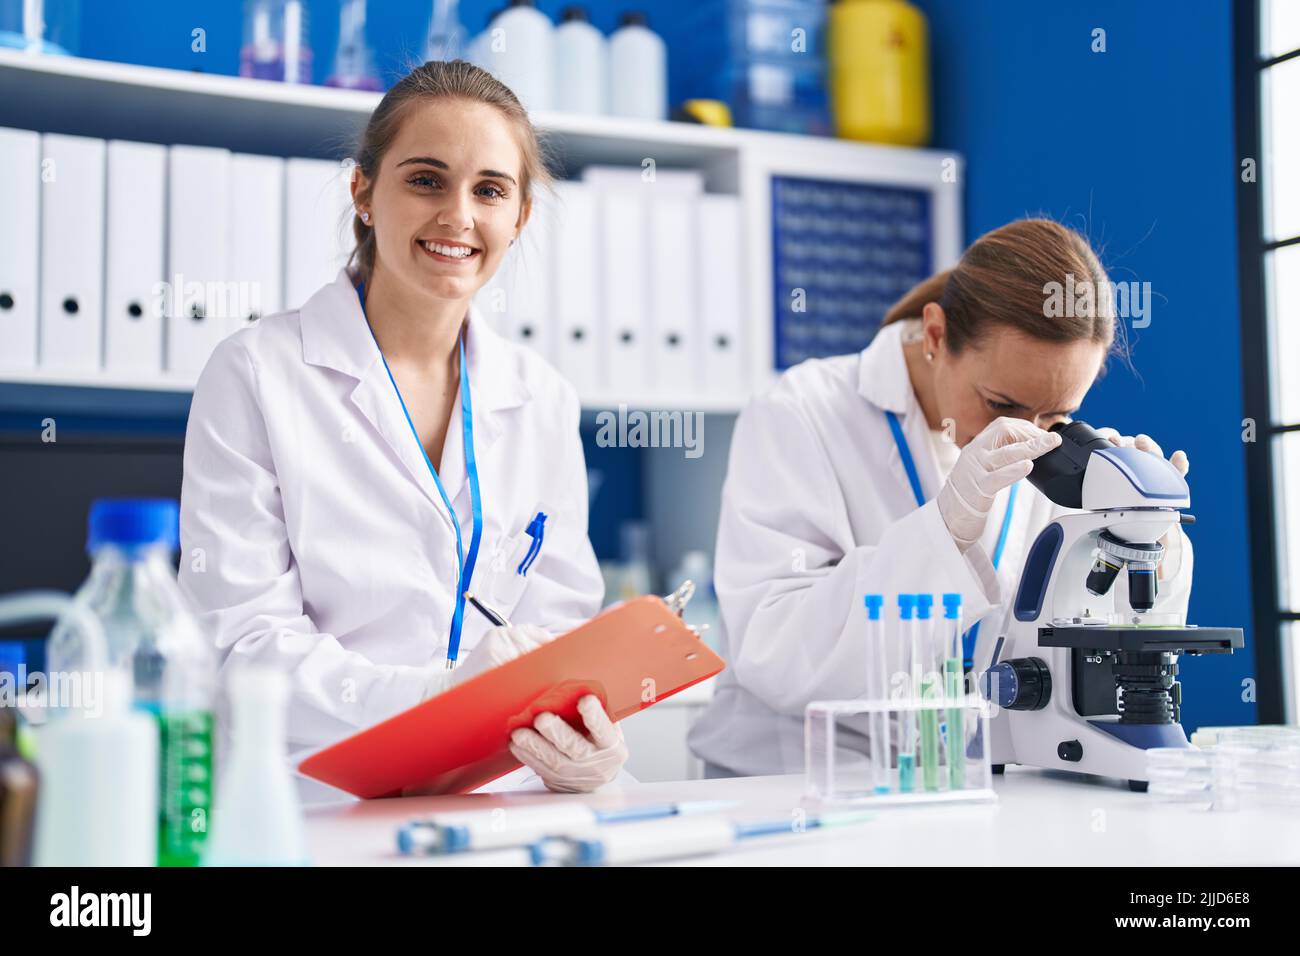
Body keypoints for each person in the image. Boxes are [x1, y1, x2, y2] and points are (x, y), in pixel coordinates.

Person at [179, 60, 627, 794]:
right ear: (363, 191)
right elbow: (243, 644)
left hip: (500, 801)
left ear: (520, 218)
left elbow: (560, 632)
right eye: (426, 179)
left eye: (489, 190)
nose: (458, 216)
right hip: (313, 800)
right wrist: (438, 697)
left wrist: (585, 736)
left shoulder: (541, 397)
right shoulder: (256, 373)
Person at [688, 218, 1193, 776]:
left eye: (1057, 415)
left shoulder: (1051, 460)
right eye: (1001, 404)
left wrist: (1129, 530)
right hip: (794, 785)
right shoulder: (801, 412)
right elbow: (775, 654)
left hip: (965, 786)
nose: (1029, 436)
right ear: (934, 336)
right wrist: (944, 533)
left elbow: (1070, 633)